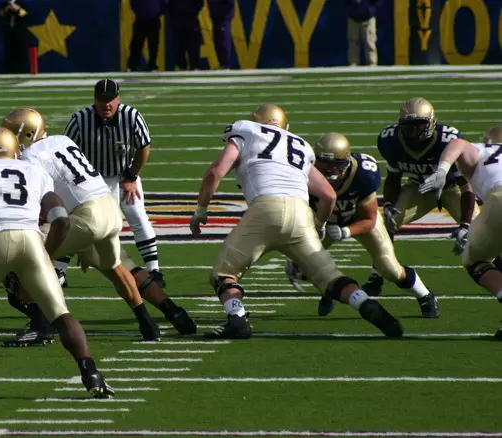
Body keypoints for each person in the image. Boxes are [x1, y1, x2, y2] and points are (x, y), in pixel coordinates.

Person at [190, 104, 403, 339]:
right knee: (330, 278)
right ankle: (363, 303)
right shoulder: (300, 144)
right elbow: (328, 196)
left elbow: (215, 172)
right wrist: (319, 225)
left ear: (256, 120)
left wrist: (201, 210)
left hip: (265, 209)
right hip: (302, 213)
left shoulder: (246, 130)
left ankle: (237, 319)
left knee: (224, 273)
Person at [0, 108, 195, 345]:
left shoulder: (31, 158)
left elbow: (42, 203)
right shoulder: (62, 140)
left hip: (85, 216)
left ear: (25, 134)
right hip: (109, 207)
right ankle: (152, 322)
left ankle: (41, 326)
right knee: (117, 267)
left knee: (22, 257)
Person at [0, 127, 114, 398]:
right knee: (60, 314)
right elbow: (61, 218)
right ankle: (92, 374)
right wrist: (46, 255)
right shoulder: (35, 172)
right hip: (33, 241)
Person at [285, 132, 439, 319]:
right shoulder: (303, 173)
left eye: (335, 165)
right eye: (323, 164)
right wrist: (294, 254)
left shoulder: (362, 175)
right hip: (324, 224)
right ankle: (329, 291)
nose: (328, 170)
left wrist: (346, 231)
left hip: (359, 221)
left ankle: (425, 296)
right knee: (305, 266)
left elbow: (370, 219)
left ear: (347, 162)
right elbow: (300, 213)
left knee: (390, 269)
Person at [364, 97, 478, 295]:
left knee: (480, 230)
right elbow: (393, 177)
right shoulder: (391, 141)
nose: (414, 130)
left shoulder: (448, 140)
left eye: (420, 124)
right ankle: (377, 274)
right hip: (418, 188)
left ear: (433, 122)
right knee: (386, 224)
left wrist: (465, 225)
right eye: (409, 125)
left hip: (452, 188)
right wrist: (389, 205)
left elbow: (467, 187)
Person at [63, 79, 164, 288]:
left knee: (137, 216)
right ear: (95, 99)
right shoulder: (80, 120)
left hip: (123, 175)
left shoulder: (132, 116)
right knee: (79, 223)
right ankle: (59, 272)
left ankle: (154, 269)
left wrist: (131, 176)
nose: (106, 105)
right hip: (91, 180)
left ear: (118, 98)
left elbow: (144, 147)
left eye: (110, 100)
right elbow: (65, 154)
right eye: (101, 100)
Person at [418, 124, 502, 340]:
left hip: (499, 200)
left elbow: (458, 144)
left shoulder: (485, 150)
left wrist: (441, 170)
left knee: (475, 260)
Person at [126, 0, 165, 72]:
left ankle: (152, 65)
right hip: (140, 19)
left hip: (154, 19)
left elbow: (164, 2)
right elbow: (133, 2)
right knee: (136, 43)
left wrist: (159, 12)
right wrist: (138, 11)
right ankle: (132, 65)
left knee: (153, 44)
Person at [167, 0, 204, 70]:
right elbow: (168, 4)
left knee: (193, 44)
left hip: (191, 19)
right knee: (178, 45)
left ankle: (195, 66)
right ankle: (181, 66)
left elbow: (200, 3)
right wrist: (174, 14)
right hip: (176, 20)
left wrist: (192, 12)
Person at [345, 0, 383, 66]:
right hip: (353, 19)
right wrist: (350, 11)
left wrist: (371, 10)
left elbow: (378, 1)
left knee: (370, 42)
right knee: (353, 42)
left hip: (368, 19)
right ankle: (353, 63)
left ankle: (372, 63)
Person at [0, 0, 29, 74]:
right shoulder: (4, 5)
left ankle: (22, 72)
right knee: (9, 54)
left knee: (20, 54)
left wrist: (18, 9)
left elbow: (26, 15)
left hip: (20, 34)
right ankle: (9, 72)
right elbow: (0, 14)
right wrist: (7, 9)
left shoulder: (21, 4)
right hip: (8, 34)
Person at [207, 0, 234, 69]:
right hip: (215, 15)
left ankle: (226, 64)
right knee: (217, 40)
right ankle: (222, 64)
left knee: (223, 39)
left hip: (223, 15)